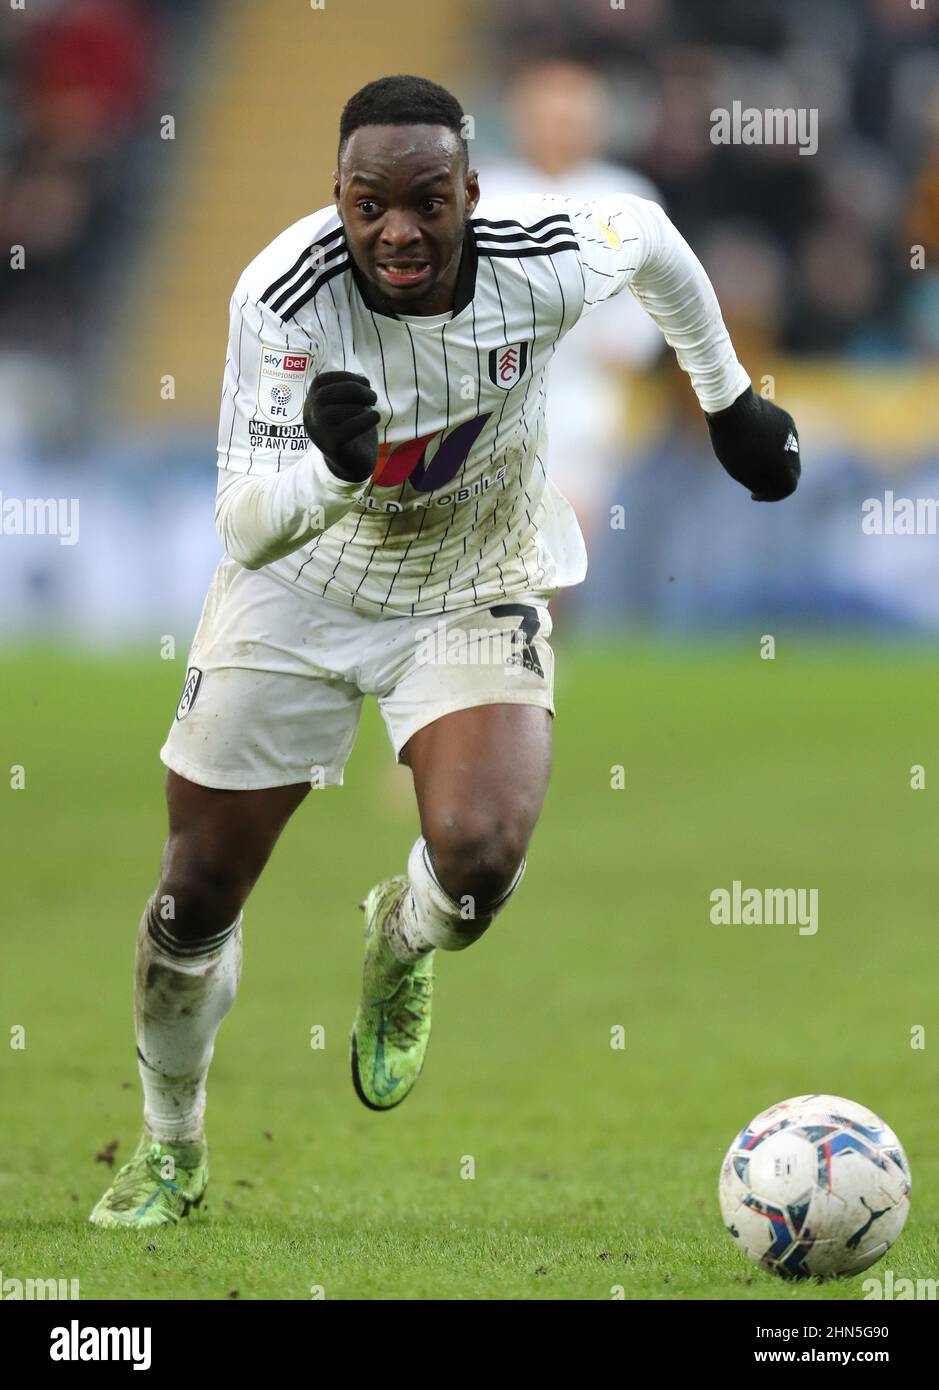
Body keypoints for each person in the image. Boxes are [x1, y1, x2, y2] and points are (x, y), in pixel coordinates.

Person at [90, 75, 800, 1227]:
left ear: (472, 189)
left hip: (475, 576)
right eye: (371, 205)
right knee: (195, 896)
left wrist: (728, 405)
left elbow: (660, 248)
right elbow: (241, 522)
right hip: (297, 594)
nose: (399, 230)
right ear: (339, 199)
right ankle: (171, 1148)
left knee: (477, 856)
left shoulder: (548, 250)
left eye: (428, 200)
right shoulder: (283, 292)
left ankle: (404, 936)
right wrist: (328, 471)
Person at [483, 59, 665, 550]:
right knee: (496, 533)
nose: (561, 130)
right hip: (497, 391)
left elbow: (655, 292)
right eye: (550, 117)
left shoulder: (626, 197)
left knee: (571, 535)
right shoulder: (486, 195)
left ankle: (547, 626)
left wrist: (628, 343)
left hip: (587, 394)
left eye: (573, 118)